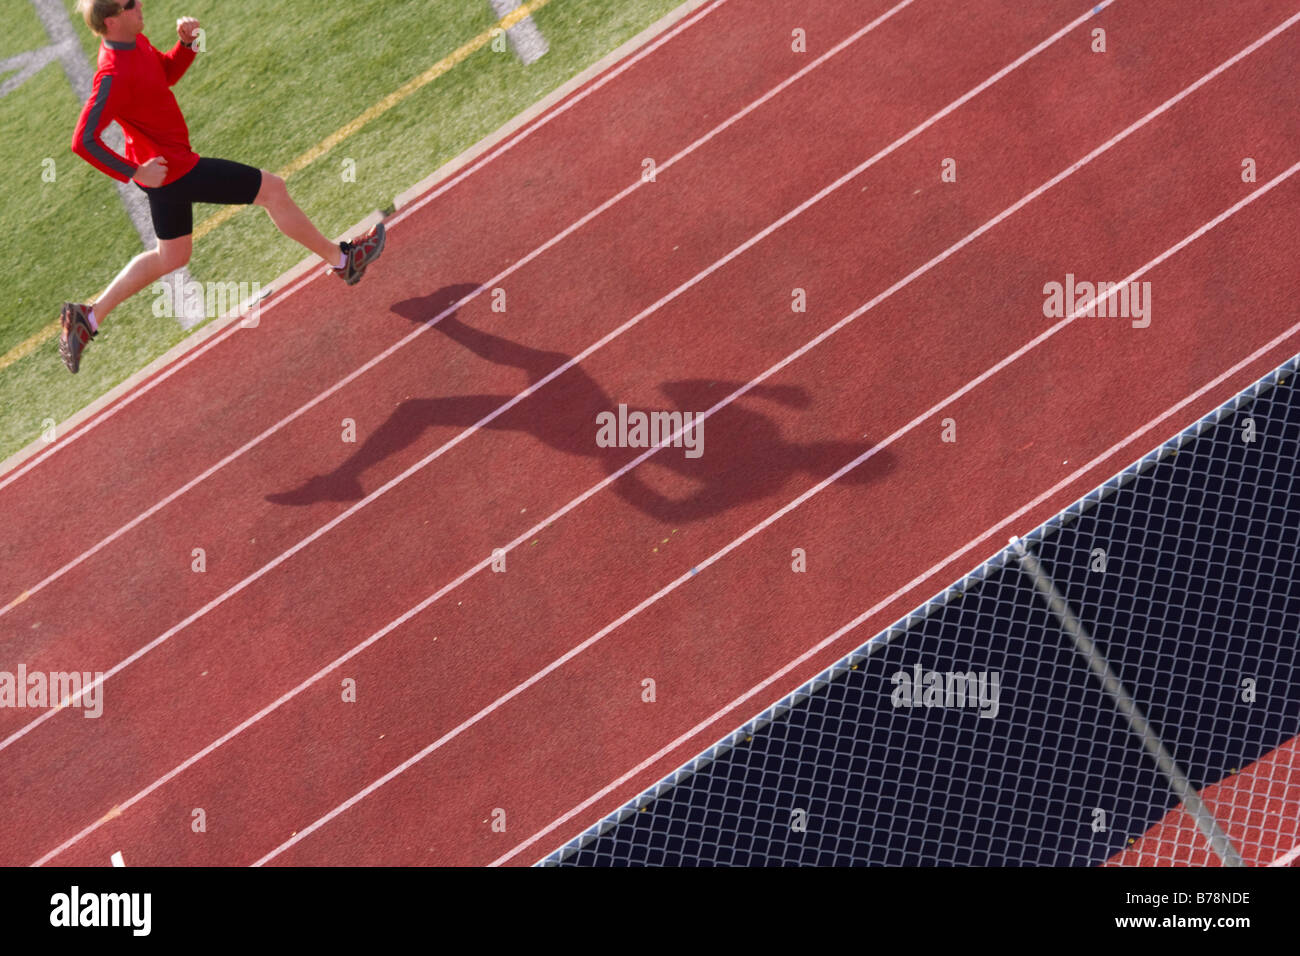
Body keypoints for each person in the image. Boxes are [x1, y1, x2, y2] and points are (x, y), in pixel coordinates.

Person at [60, 0, 386, 373]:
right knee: (272, 190)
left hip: (168, 174)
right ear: (112, 21)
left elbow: (164, 75)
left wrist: (187, 45)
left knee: (172, 257)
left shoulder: (135, 41)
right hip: (176, 170)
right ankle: (343, 260)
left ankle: (88, 316)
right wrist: (134, 172)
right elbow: (83, 140)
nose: (140, 5)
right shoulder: (112, 74)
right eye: (130, 4)